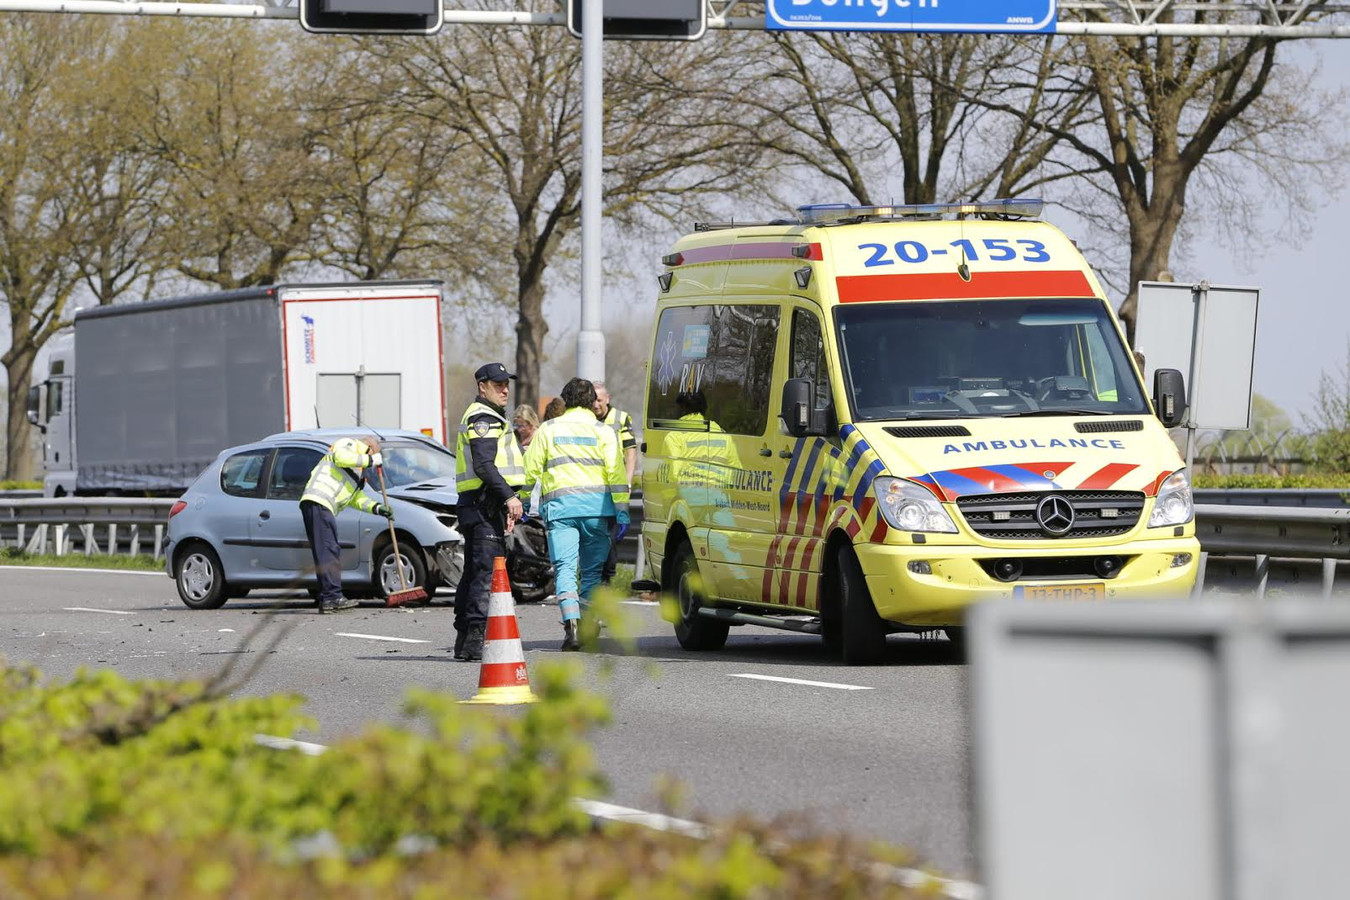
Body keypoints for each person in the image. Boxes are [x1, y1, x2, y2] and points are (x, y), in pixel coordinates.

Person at [522, 378, 629, 651]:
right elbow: (616, 474)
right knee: (592, 572)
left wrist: (522, 500)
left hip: (561, 512)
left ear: (565, 400)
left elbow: (530, 469)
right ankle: (589, 623)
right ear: (593, 401)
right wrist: (622, 510)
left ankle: (572, 629)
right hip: (597, 512)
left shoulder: (548, 430)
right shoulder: (604, 431)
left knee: (566, 570)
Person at [453, 362, 527, 661]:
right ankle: (474, 640)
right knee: (484, 574)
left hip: (481, 503)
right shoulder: (483, 417)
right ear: (482, 386)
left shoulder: (490, 415)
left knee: (474, 571)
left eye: (506, 384)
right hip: (483, 504)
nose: (505, 389)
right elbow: (484, 465)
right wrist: (509, 497)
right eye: (498, 385)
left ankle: (465, 640)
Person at [299, 435, 393, 614]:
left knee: (327, 550)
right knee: (328, 550)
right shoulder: (349, 444)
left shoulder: (357, 470)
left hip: (320, 505)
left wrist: (377, 508)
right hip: (318, 500)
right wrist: (371, 459)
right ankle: (332, 597)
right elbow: (341, 458)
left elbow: (355, 499)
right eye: (374, 454)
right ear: (369, 448)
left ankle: (328, 598)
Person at [591, 381, 638, 584]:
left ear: (607, 399)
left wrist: (627, 482)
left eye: (599, 400)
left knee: (610, 534)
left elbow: (630, 451)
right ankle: (592, 576)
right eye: (593, 400)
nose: (596, 405)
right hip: (592, 484)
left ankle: (606, 579)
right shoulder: (585, 418)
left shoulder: (620, 418)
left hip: (614, 485)